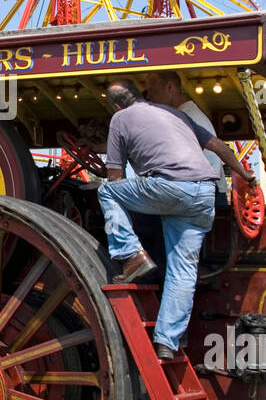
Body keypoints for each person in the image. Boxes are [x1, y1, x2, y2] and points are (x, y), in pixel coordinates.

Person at [97, 78, 256, 360]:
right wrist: (244, 174)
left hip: (169, 187)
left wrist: (124, 216)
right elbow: (219, 147)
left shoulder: (120, 119)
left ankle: (131, 254)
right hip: (203, 194)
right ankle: (168, 342)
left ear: (116, 105)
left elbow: (115, 177)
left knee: (107, 192)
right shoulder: (177, 114)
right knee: (182, 271)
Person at [145, 71, 228, 199]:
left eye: (152, 90)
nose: (149, 95)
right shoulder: (187, 113)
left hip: (203, 191)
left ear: (169, 88)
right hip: (207, 189)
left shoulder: (184, 117)